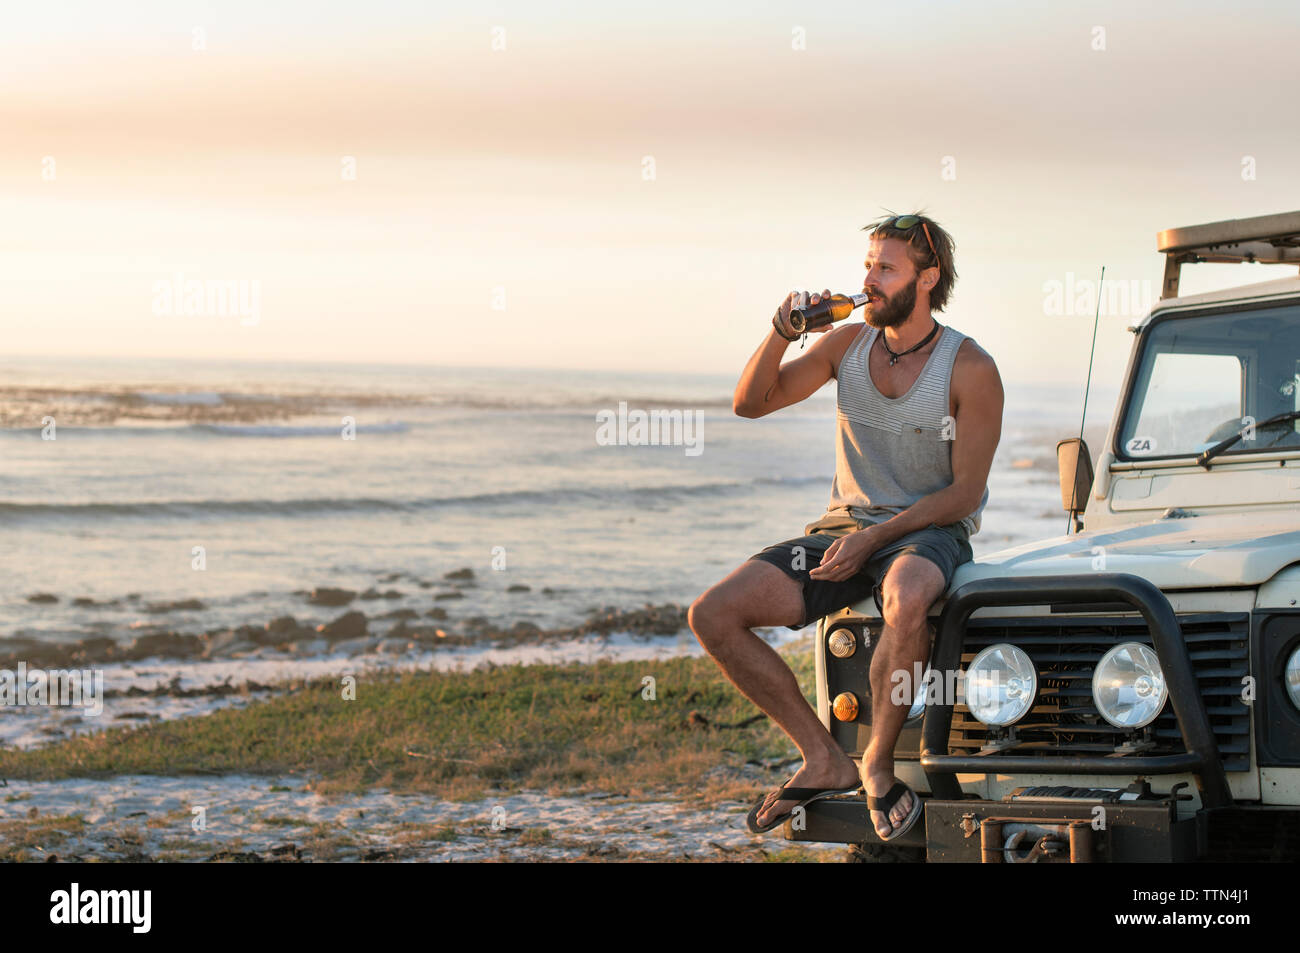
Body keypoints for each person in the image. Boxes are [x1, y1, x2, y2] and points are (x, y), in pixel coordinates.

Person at [688, 213, 1003, 841]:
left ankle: (879, 768)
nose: (869, 280)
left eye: (886, 268)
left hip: (926, 531)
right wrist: (782, 331)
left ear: (928, 277)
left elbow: (963, 493)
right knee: (712, 614)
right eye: (869, 265)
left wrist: (876, 539)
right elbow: (750, 403)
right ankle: (823, 757)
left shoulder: (971, 368)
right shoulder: (845, 344)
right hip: (842, 528)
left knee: (907, 593)